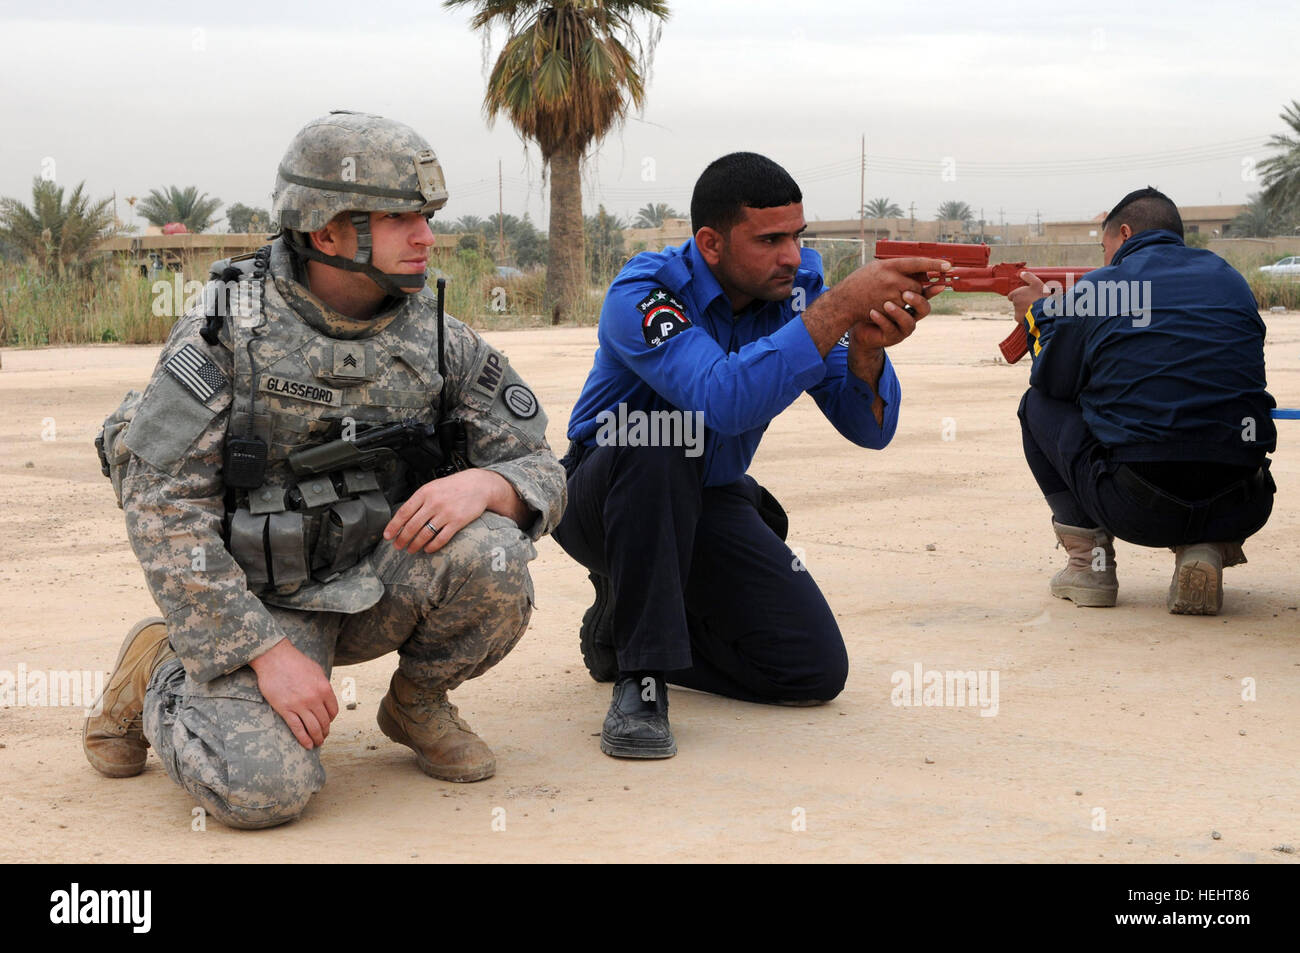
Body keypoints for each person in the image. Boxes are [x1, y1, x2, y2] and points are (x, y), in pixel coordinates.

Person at [83, 111, 566, 829]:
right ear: (325, 230)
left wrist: (489, 484)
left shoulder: (436, 336)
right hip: (258, 601)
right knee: (259, 792)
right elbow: (162, 509)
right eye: (402, 218)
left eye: (427, 216)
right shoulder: (227, 328)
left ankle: (418, 704)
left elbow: (541, 464)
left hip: (373, 579)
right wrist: (263, 650)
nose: (427, 237)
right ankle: (161, 668)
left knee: (496, 552)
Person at [553, 152, 948, 758]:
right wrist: (840, 308)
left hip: (707, 498)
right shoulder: (646, 293)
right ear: (711, 243)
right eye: (769, 239)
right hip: (603, 500)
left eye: (797, 235)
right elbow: (722, 400)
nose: (791, 255)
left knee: (810, 671)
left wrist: (865, 349)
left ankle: (620, 630)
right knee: (659, 432)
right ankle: (642, 679)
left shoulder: (799, 294)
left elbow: (868, 430)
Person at [1009, 186, 1276, 615]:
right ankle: (1202, 549)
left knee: (1036, 405)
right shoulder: (1230, 280)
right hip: (1242, 500)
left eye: (1106, 247)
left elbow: (1055, 383)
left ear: (1125, 233)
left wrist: (1037, 316)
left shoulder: (1103, 288)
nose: (1105, 260)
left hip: (1137, 504)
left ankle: (1088, 567)